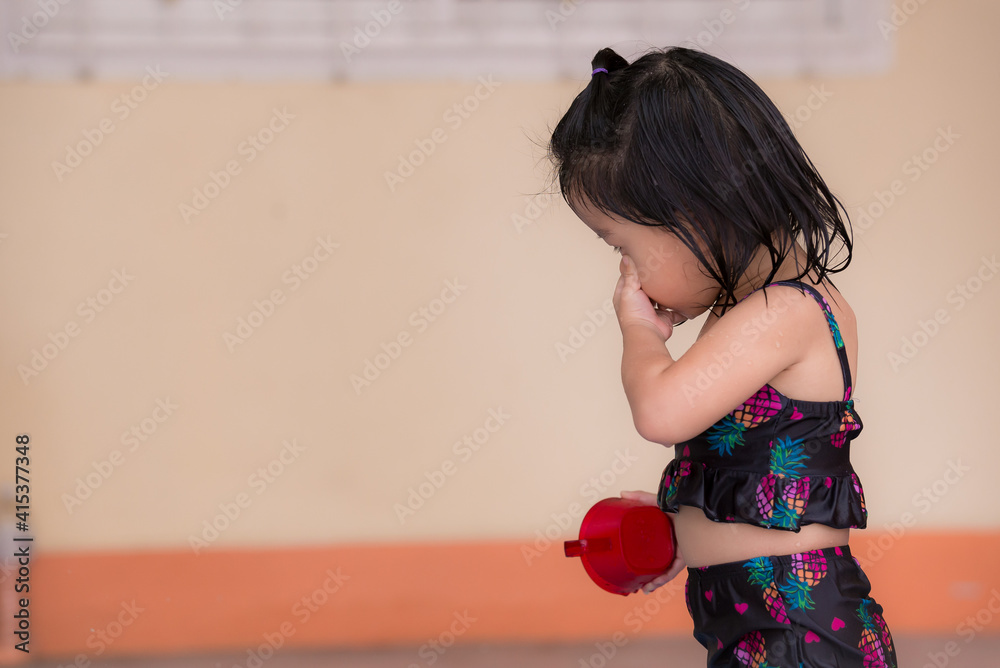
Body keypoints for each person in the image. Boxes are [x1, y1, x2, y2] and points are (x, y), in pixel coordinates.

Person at [548, 46, 896, 667]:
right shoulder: (746, 313)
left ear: (696, 217)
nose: (626, 272)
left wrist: (641, 334)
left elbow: (660, 412)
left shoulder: (786, 312)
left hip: (800, 631)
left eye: (621, 245)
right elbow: (745, 472)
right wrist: (678, 526)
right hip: (753, 623)